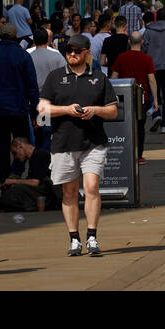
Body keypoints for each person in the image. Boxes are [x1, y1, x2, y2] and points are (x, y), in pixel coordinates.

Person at [38, 34, 119, 257]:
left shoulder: (99, 77)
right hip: (63, 141)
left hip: (93, 142)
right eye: (69, 51)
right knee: (69, 192)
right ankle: (74, 239)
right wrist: (66, 110)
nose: (72, 54)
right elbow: (41, 111)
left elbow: (112, 110)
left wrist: (95, 110)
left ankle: (92, 236)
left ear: (86, 53)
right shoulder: (55, 78)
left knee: (92, 187)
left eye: (77, 51)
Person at [0, 22, 40, 184]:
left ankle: (5, 180)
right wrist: (35, 113)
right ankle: (16, 173)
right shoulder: (24, 56)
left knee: (2, 148)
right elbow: (32, 87)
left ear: (0, 36)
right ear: (16, 37)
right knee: (23, 145)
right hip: (19, 109)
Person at [111, 30, 160, 164]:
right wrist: (155, 99)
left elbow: (114, 76)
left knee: (124, 127)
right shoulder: (147, 59)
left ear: (129, 42)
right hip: (141, 99)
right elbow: (152, 80)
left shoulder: (121, 57)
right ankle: (139, 156)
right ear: (142, 42)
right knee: (140, 128)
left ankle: (126, 154)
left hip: (124, 97)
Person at [0, 135, 56, 212]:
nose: (16, 157)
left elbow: (35, 182)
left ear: (20, 146)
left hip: (48, 192)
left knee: (16, 191)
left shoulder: (40, 154)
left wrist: (14, 181)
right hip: (42, 191)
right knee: (11, 194)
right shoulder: (34, 156)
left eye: (14, 153)